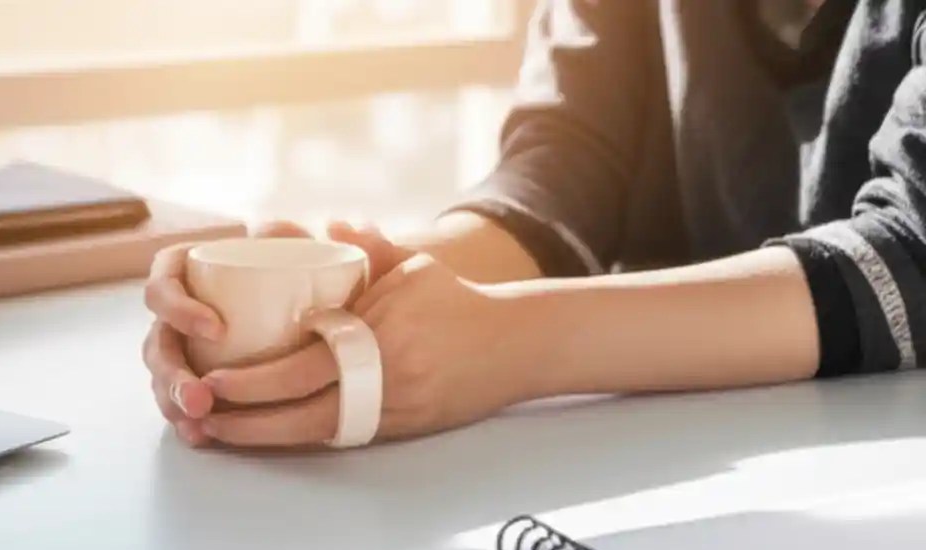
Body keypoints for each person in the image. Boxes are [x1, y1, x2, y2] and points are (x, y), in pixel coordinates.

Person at [142, 0, 926, 448]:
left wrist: (513, 346)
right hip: (659, 473)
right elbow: (564, 172)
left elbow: (909, 255)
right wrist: (356, 283)